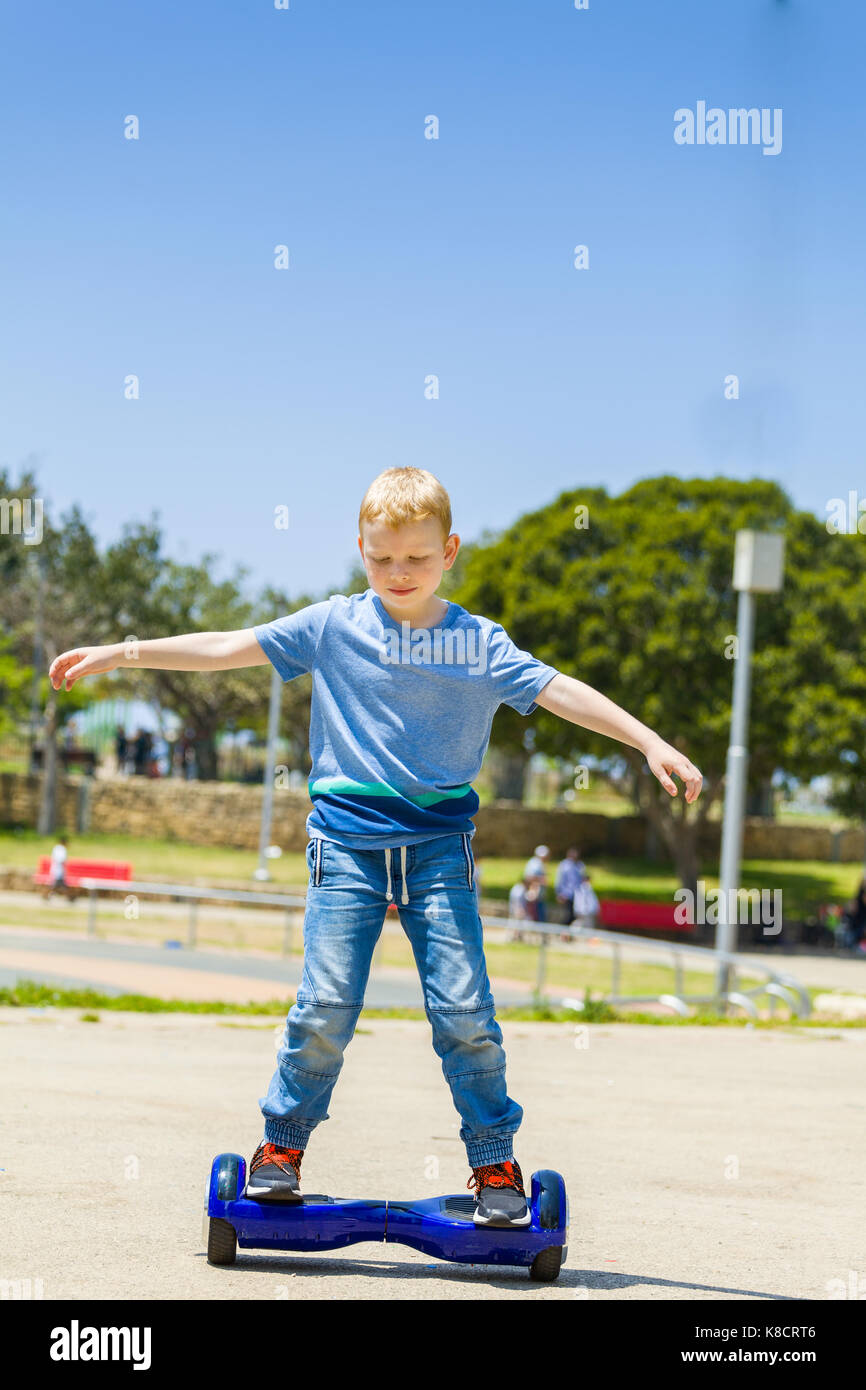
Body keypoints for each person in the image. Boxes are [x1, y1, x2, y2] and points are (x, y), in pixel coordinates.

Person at [47, 465, 702, 1228]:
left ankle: (493, 1158)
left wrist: (651, 742)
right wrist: (119, 652)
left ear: (450, 551)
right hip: (347, 844)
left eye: (417, 559)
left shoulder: (478, 643)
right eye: (382, 558)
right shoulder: (333, 626)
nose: (399, 574)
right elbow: (229, 645)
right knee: (325, 1004)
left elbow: (559, 689)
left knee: (464, 1011)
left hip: (438, 848)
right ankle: (281, 1147)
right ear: (360, 548)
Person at [555, 846, 586, 937]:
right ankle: (561, 932)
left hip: (577, 895)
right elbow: (560, 880)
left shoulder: (580, 865)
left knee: (574, 915)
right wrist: (559, 893)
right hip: (566, 894)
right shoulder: (564, 865)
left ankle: (566, 934)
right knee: (567, 915)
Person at [523, 844, 551, 924]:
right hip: (534, 896)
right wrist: (541, 879)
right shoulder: (534, 863)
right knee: (535, 916)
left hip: (539, 896)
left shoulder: (541, 864)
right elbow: (529, 877)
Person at [45, 835, 69, 901]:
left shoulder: (56, 848)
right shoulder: (62, 849)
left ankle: (49, 895)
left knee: (57, 885)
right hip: (59, 871)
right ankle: (68, 897)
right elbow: (62, 859)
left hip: (55, 870)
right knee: (59, 885)